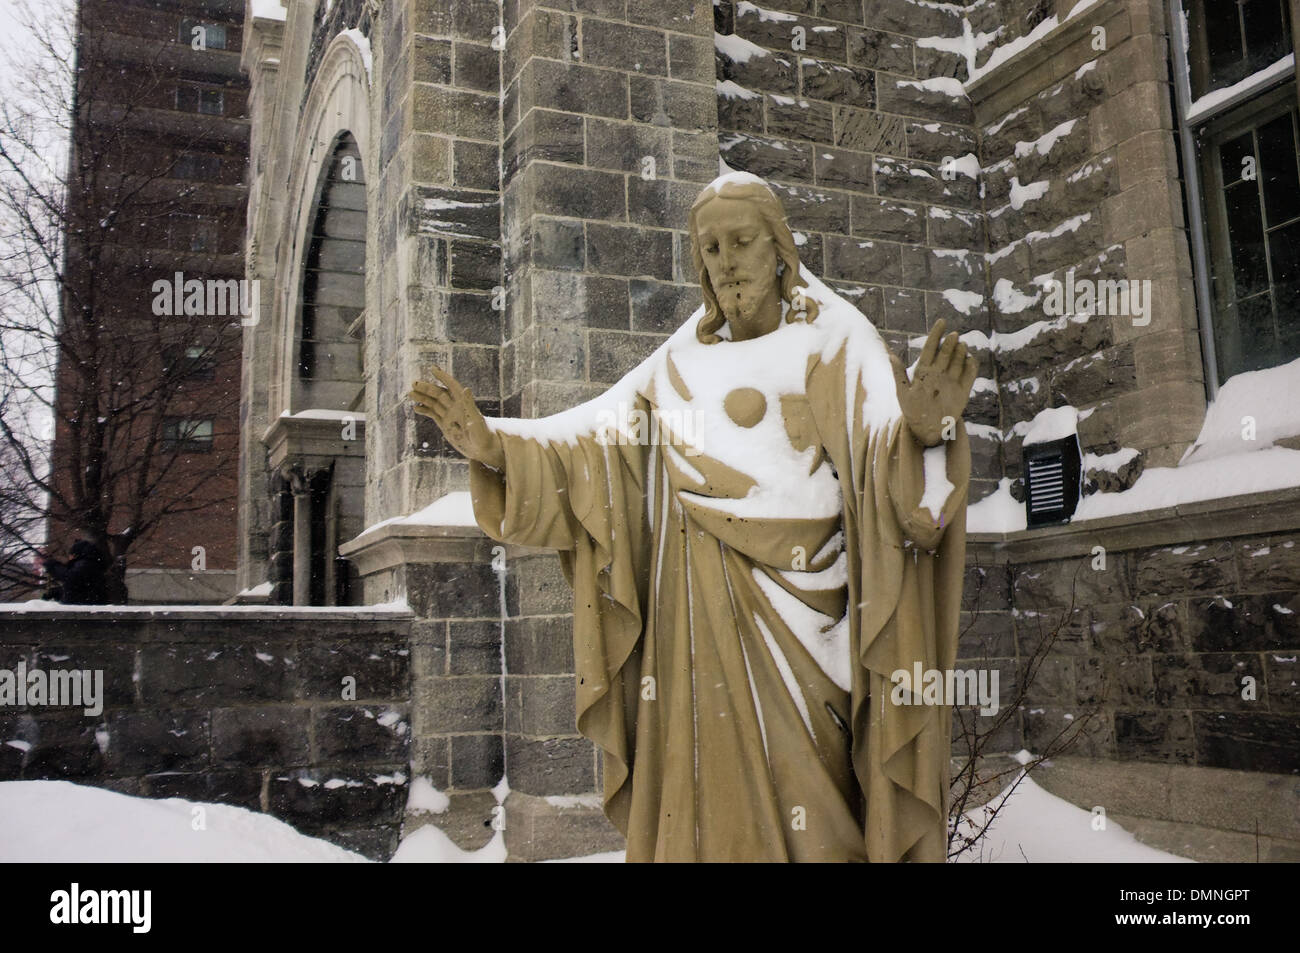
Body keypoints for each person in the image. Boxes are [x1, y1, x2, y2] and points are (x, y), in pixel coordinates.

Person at [410, 171, 976, 862]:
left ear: (780, 252)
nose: (727, 260)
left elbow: (898, 492)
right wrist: (495, 446)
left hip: (803, 640)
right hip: (691, 643)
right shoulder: (677, 365)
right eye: (710, 248)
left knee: (814, 815)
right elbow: (593, 445)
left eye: (742, 241)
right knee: (700, 800)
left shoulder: (835, 343)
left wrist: (924, 434)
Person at [38, 540, 108, 605]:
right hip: (86, 606)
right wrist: (59, 592)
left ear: (75, 554)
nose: (69, 557)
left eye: (70, 555)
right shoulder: (91, 564)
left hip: (83, 609)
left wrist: (54, 566)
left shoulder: (86, 564)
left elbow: (71, 578)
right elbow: (79, 588)